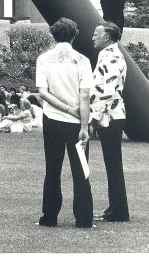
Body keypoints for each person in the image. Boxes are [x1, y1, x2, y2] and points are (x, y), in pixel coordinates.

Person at [35, 17, 93, 228]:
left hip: (52, 119)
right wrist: (84, 125)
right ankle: (84, 218)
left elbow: (43, 92)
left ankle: (49, 217)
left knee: (52, 169)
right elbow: (84, 96)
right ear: (74, 35)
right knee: (81, 171)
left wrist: (63, 108)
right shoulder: (83, 60)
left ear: (54, 34)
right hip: (77, 121)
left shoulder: (43, 59)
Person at [89, 21, 130, 223]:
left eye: (96, 34)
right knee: (112, 164)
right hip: (112, 114)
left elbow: (106, 91)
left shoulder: (111, 56)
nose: (93, 37)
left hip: (110, 116)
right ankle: (115, 208)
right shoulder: (110, 54)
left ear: (106, 36)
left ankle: (119, 211)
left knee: (113, 164)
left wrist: (94, 118)